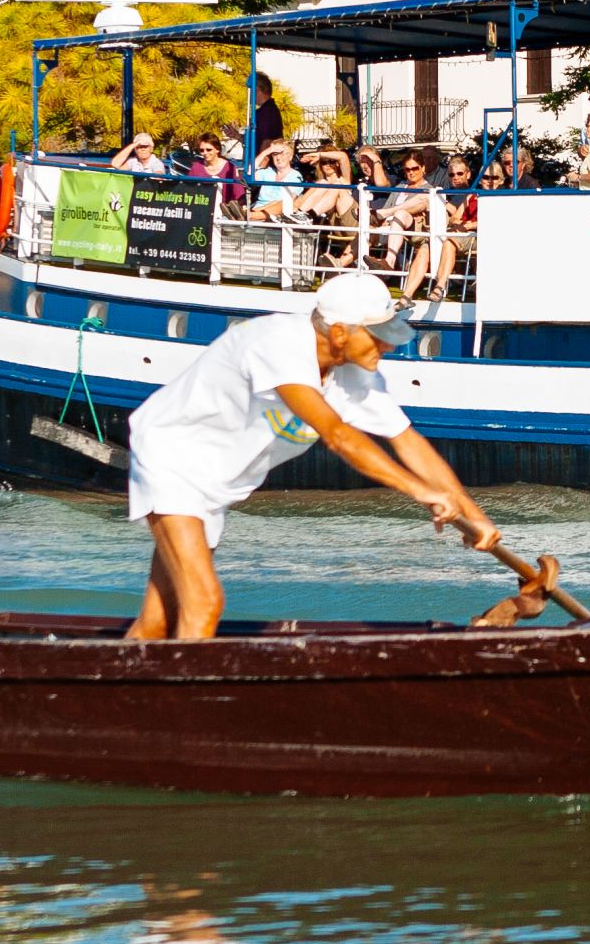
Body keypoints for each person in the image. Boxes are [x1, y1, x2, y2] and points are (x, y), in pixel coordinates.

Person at [123, 271, 500, 641]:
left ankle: (111, 696)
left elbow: (408, 443)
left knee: (157, 623)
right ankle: (193, 702)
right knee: (204, 604)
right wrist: (422, 493)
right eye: (377, 337)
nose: (387, 347)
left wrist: (475, 516)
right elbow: (337, 436)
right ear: (338, 332)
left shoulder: (354, 373)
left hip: (215, 485)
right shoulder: (278, 345)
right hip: (173, 458)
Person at [404, 152, 482, 301]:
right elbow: (454, 218)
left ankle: (439, 287)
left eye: (460, 173)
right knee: (425, 248)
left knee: (426, 202)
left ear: (468, 174)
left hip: (459, 235)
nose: (456, 178)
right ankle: (406, 296)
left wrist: (441, 202)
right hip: (438, 230)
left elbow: (455, 216)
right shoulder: (450, 192)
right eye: (452, 175)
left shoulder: (470, 193)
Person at [376, 148, 446, 274]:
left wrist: (386, 214)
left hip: (410, 227)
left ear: (423, 168)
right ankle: (343, 263)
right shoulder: (400, 187)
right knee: (363, 223)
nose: (411, 172)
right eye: (408, 169)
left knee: (400, 214)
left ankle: (389, 261)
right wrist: (384, 219)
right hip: (387, 224)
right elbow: (386, 207)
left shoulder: (428, 190)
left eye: (415, 168)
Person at [182, 134, 243, 207]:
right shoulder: (196, 167)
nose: (205, 153)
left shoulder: (231, 168)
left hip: (224, 212)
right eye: (202, 150)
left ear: (217, 149)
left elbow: (239, 195)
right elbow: (188, 191)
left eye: (208, 149)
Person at [251, 73, 284, 155]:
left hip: (264, 164)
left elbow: (267, 141)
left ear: (257, 90)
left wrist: (259, 164)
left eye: (251, 90)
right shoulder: (264, 110)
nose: (249, 94)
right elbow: (257, 140)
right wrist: (237, 136)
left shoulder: (267, 111)